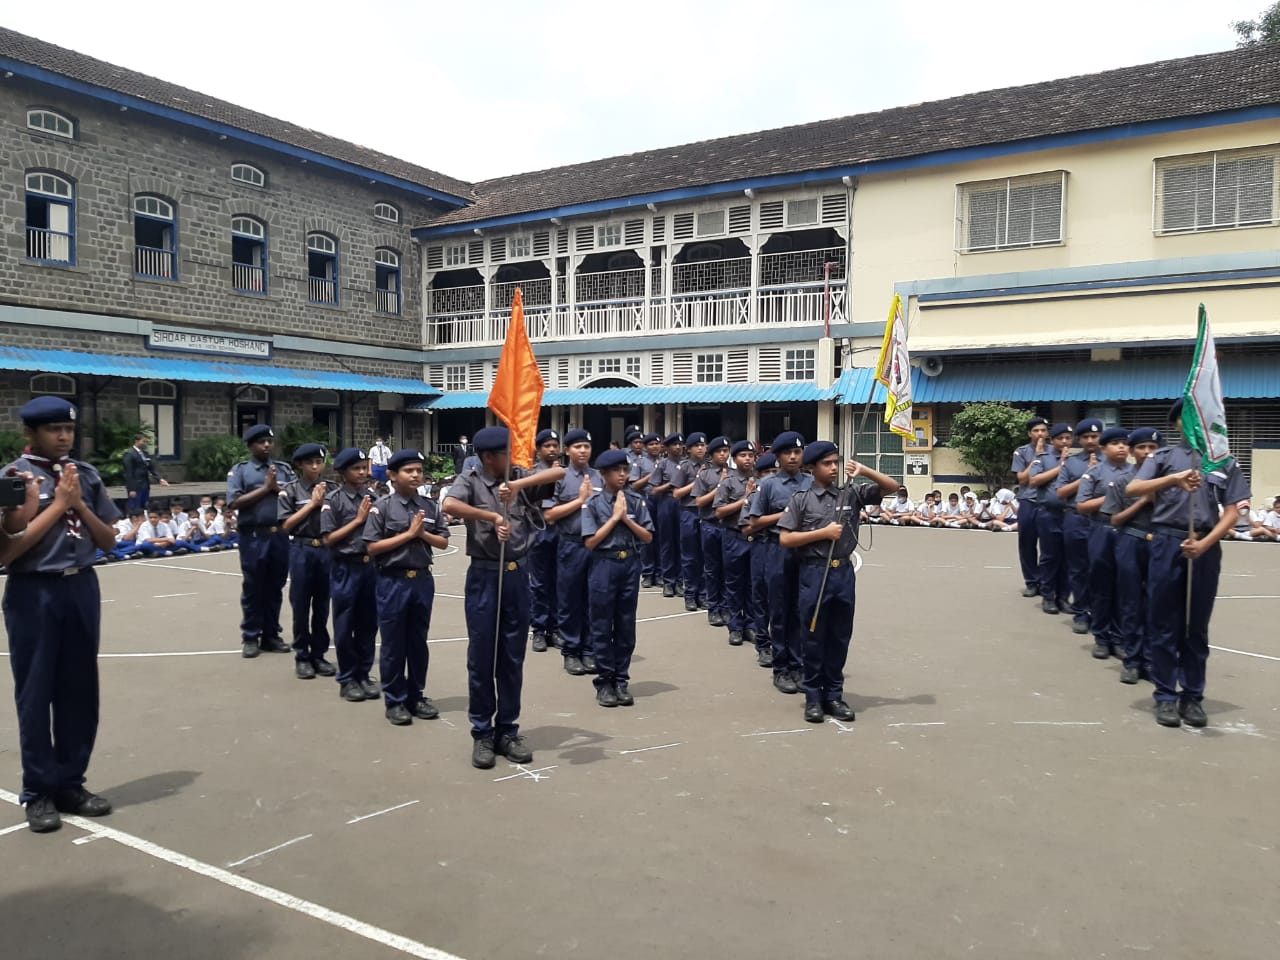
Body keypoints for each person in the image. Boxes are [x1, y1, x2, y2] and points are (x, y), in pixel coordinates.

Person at [1, 397, 121, 833]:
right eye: (53, 430)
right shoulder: (14, 478)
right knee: (36, 693)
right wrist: (56, 504)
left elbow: (109, 541)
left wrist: (79, 503)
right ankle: (39, 791)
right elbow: (8, 550)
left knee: (79, 690)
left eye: (68, 429)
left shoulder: (85, 476)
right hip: (35, 591)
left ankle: (71, 782)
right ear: (31, 433)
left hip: (80, 586)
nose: (64, 436)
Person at [443, 426, 564, 770]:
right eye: (507, 454)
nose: (514, 459)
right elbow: (449, 503)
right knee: (482, 655)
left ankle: (507, 730)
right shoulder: (471, 479)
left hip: (516, 574)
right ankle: (482, 732)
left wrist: (518, 487)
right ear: (488, 457)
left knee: (512, 657)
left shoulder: (518, 476)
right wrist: (492, 514)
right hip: (484, 574)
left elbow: (559, 471)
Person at [1126, 399, 1249, 729]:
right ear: (1177, 423)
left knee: (1196, 626)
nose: (1196, 423)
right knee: (1164, 622)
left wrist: (1206, 543)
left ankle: (1192, 695)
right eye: (1188, 417)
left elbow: (1234, 511)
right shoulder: (1163, 458)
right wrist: (1172, 480)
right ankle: (1166, 695)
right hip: (1166, 542)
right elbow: (1133, 487)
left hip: (1205, 545)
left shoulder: (1224, 462)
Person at [778, 443, 899, 724]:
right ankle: (813, 698)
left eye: (836, 462)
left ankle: (834, 695)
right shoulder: (801, 499)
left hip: (842, 574)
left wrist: (864, 469)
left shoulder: (851, 493)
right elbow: (785, 538)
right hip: (814, 572)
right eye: (826, 463)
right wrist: (823, 532)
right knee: (813, 636)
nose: (833, 468)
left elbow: (892, 487)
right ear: (812, 468)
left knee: (839, 637)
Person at [363, 449, 450, 726]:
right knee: (393, 643)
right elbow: (373, 547)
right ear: (392, 475)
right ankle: (395, 699)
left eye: (418, 471)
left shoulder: (430, 506)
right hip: (393, 580)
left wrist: (422, 534)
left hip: (422, 580)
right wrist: (409, 535)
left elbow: (444, 541)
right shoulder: (383, 507)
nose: (415, 475)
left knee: (417, 641)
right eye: (408, 471)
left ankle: (416, 694)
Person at [581, 448, 653, 707]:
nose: (622, 474)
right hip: (604, 564)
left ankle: (621, 680)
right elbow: (590, 542)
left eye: (625, 470)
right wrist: (613, 519)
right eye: (617, 470)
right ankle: (605, 681)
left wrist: (626, 519)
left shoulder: (636, 500)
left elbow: (648, 536)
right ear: (603, 474)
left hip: (630, 564)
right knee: (601, 624)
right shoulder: (593, 504)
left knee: (625, 624)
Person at [747, 431, 811, 695]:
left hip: (805, 552)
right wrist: (783, 515)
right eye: (788, 453)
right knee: (780, 611)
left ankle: (798, 665)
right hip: (776, 550)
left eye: (797, 452)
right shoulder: (769, 485)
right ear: (778, 456)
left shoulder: (811, 482)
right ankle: (781, 668)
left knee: (801, 610)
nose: (793, 457)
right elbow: (754, 522)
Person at [227, 424, 295, 659]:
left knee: (275, 586)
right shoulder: (241, 471)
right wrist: (267, 488)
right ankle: (250, 636)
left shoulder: (283, 469)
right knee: (254, 587)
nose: (266, 445)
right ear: (250, 445)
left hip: (279, 534)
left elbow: (295, 495)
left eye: (269, 441)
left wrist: (277, 489)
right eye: (260, 442)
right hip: (254, 535)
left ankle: (270, 634)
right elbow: (234, 501)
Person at [321, 448, 380, 703]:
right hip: (346, 566)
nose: (363, 473)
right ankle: (347, 678)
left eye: (364, 467)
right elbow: (329, 539)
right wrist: (357, 521)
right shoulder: (332, 501)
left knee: (368, 623)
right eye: (356, 468)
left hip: (370, 567)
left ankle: (364, 674)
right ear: (343, 472)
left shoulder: (372, 497)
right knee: (345, 625)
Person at [545, 429, 601, 675]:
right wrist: (579, 501)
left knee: (594, 599)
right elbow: (549, 515)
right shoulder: (559, 477)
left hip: (597, 545)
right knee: (570, 600)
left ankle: (590, 650)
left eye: (586, 446)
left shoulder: (600, 476)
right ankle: (571, 651)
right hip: (570, 544)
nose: (582, 451)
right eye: (577, 446)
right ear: (566, 450)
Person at [1075, 427, 1133, 660]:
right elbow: (1081, 505)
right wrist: (1112, 497)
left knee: (1125, 587)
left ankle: (1119, 638)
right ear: (1104, 448)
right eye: (1114, 443)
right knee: (1101, 587)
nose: (1121, 447)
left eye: (1124, 443)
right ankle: (1101, 637)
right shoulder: (1095, 472)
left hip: (1129, 532)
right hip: (1101, 529)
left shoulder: (1139, 472)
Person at [278, 443, 334, 681]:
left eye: (319, 462)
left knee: (322, 605)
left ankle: (319, 654)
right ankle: (302, 655)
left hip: (325, 550)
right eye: (310, 462)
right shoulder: (290, 490)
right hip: (301, 549)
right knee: (301, 604)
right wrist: (312, 504)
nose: (315, 466)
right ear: (300, 465)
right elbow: (285, 525)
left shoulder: (332, 489)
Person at [1109, 428, 1160, 684]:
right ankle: (1131, 660)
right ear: (1132, 451)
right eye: (1142, 448)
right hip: (1130, 539)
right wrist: (1143, 501)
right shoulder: (1121, 482)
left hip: (1160, 544)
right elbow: (1115, 519)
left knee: (1155, 603)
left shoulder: (1168, 480)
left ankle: (1150, 660)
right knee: (1130, 603)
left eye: (1152, 448)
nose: (1148, 453)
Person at [1054, 418, 1103, 635]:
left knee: (1101, 568)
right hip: (1075, 519)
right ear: (1080, 440)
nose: (1091, 440)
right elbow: (1061, 492)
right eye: (1086, 437)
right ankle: (1081, 612)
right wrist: (1087, 475)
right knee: (1078, 569)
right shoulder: (1071, 463)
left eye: (1095, 436)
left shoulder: (1113, 461)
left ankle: (1100, 614)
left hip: (1103, 521)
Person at [715, 440, 758, 650]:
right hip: (733, 536)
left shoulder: (761, 480)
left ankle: (751, 624)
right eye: (743, 455)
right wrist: (745, 497)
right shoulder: (728, 482)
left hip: (755, 538)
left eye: (751, 455)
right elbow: (719, 511)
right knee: (733, 584)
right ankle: (735, 626)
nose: (747, 459)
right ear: (735, 458)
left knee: (752, 583)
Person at [1029, 422, 1073, 615]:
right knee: (1050, 557)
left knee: (1068, 558)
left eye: (1068, 438)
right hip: (1048, 514)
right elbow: (1034, 480)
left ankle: (1063, 597)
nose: (1064, 441)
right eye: (1060, 438)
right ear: (1052, 440)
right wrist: (1061, 466)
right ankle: (1048, 596)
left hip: (1070, 515)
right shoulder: (1042, 458)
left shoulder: (1078, 460)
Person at [528, 429, 562, 653]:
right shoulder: (530, 475)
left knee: (559, 583)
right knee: (539, 584)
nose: (551, 449)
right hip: (538, 534)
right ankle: (539, 629)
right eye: (547, 446)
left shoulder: (565, 474)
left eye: (554, 445)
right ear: (538, 450)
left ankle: (556, 628)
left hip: (562, 534)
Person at [1011, 417, 1050, 596]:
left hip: (1048, 503)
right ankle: (1031, 581)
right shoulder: (1021, 452)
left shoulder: (1055, 452)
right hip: (1028, 502)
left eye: (1043, 430)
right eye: (1036, 431)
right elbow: (1022, 479)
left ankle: (1046, 581)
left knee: (1049, 546)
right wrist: (1037, 456)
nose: (1040, 434)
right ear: (1029, 434)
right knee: (1027, 543)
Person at [745, 452, 778, 661]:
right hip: (761, 546)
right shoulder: (754, 494)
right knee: (760, 597)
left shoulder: (785, 491)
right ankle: (763, 644)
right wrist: (777, 517)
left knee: (781, 600)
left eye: (775, 472)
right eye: (767, 472)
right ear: (758, 475)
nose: (772, 476)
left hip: (783, 547)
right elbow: (747, 527)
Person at [694, 435, 730, 620]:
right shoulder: (705, 473)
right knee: (711, 568)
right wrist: (719, 487)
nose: (723, 454)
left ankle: (726, 607)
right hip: (710, 524)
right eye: (719, 451)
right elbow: (699, 501)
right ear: (712, 454)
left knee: (727, 569)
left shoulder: (734, 472)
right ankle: (713, 608)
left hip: (728, 527)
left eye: (726, 451)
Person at [649, 433, 685, 597]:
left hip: (683, 505)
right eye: (674, 444)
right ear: (668, 447)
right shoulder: (662, 465)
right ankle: (668, 581)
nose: (678, 447)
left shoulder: (687, 464)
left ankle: (680, 581)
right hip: (666, 503)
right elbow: (654, 490)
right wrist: (671, 484)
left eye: (680, 444)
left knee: (682, 544)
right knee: (667, 543)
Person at [630, 432, 662, 588]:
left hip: (662, 502)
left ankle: (660, 572)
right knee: (647, 538)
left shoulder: (665, 462)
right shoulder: (639, 462)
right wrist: (651, 476)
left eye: (657, 444)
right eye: (651, 444)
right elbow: (634, 485)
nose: (654, 447)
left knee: (663, 538)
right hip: (645, 501)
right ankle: (648, 573)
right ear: (645, 447)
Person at [121, 432, 168, 513]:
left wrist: (160, 479)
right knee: (135, 507)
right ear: (136, 441)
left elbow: (151, 468)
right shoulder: (129, 454)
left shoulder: (145, 454)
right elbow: (128, 472)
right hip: (135, 486)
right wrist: (131, 489)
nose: (145, 444)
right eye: (143, 441)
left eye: (146, 442)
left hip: (145, 484)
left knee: (144, 506)